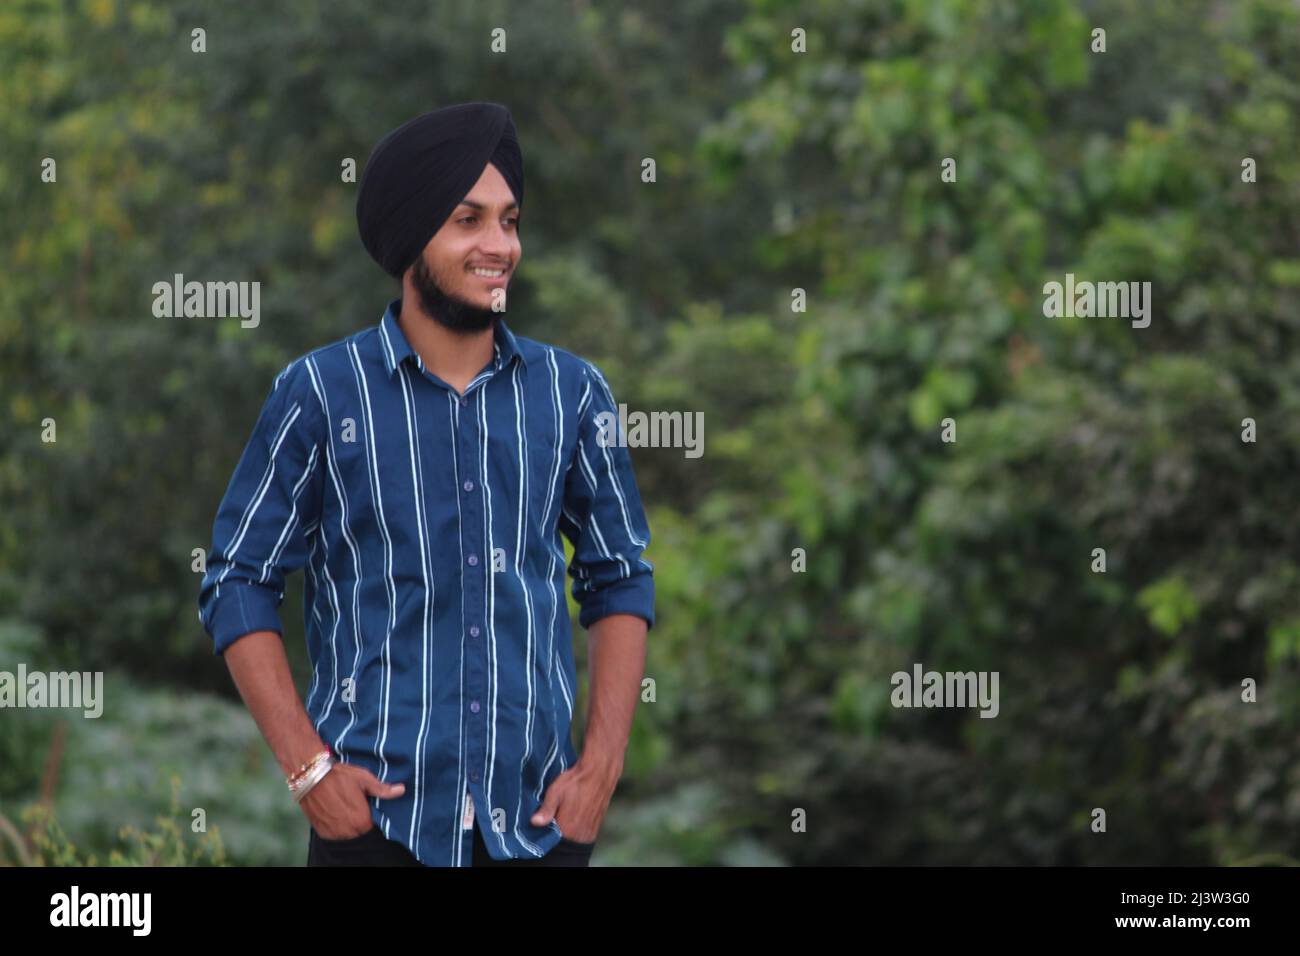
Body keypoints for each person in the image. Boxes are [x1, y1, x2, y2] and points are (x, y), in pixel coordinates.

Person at [197, 102, 654, 867]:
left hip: (536, 830)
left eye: (509, 221)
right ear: (413, 240)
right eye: (468, 220)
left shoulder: (573, 395)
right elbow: (238, 578)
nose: (498, 245)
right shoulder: (321, 393)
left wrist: (602, 768)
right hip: (375, 831)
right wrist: (309, 769)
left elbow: (619, 578)